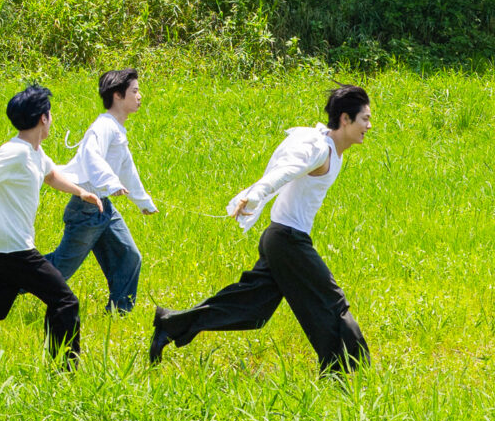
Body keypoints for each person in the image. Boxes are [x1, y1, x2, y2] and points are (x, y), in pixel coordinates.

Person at [149, 85, 372, 372]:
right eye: (364, 118)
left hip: (280, 239)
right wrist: (254, 195)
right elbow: (286, 170)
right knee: (332, 303)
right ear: (345, 119)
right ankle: (348, 371)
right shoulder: (319, 150)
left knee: (252, 309)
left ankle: (170, 325)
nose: (369, 125)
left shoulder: (331, 148)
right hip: (288, 241)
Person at [0, 83, 104, 368]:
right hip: (15, 249)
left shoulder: (35, 152)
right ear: (43, 118)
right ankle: (64, 371)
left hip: (1, 246)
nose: (51, 120)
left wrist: (81, 192)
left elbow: (50, 176)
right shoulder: (16, 151)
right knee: (65, 302)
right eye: (50, 114)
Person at [46, 68, 155, 314]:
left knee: (129, 256)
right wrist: (110, 183)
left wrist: (143, 202)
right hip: (86, 208)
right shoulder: (103, 126)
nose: (140, 96)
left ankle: (119, 312)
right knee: (60, 268)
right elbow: (91, 155)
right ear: (117, 95)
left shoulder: (116, 129)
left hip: (103, 205)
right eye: (135, 91)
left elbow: (127, 168)